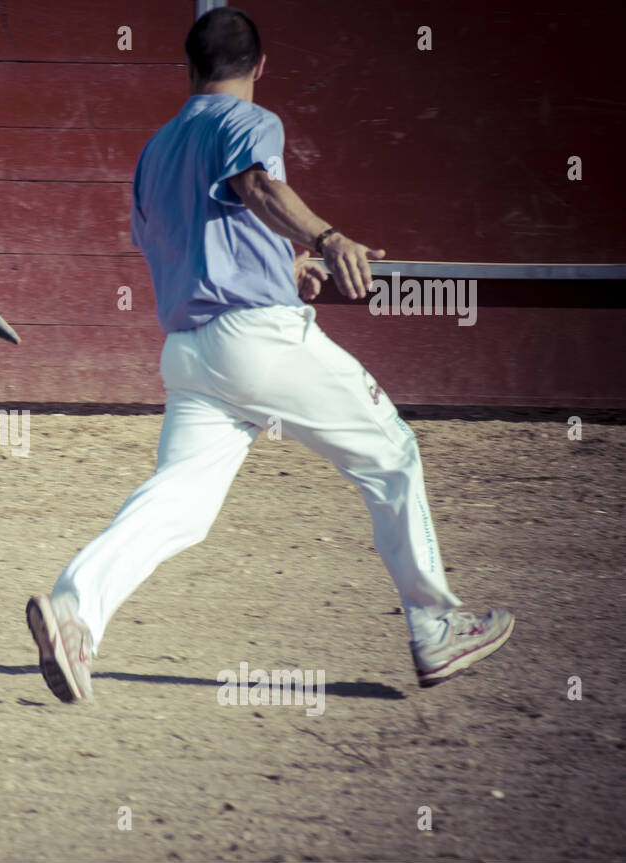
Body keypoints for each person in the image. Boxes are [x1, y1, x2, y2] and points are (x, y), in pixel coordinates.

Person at [26, 7, 513, 702]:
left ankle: (74, 613)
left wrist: (278, 269)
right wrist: (329, 238)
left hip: (191, 352)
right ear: (260, 68)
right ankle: (436, 623)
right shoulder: (252, 123)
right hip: (259, 342)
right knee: (391, 451)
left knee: (178, 507)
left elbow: (181, 246)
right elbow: (256, 186)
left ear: (188, 70)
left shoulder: (155, 150)